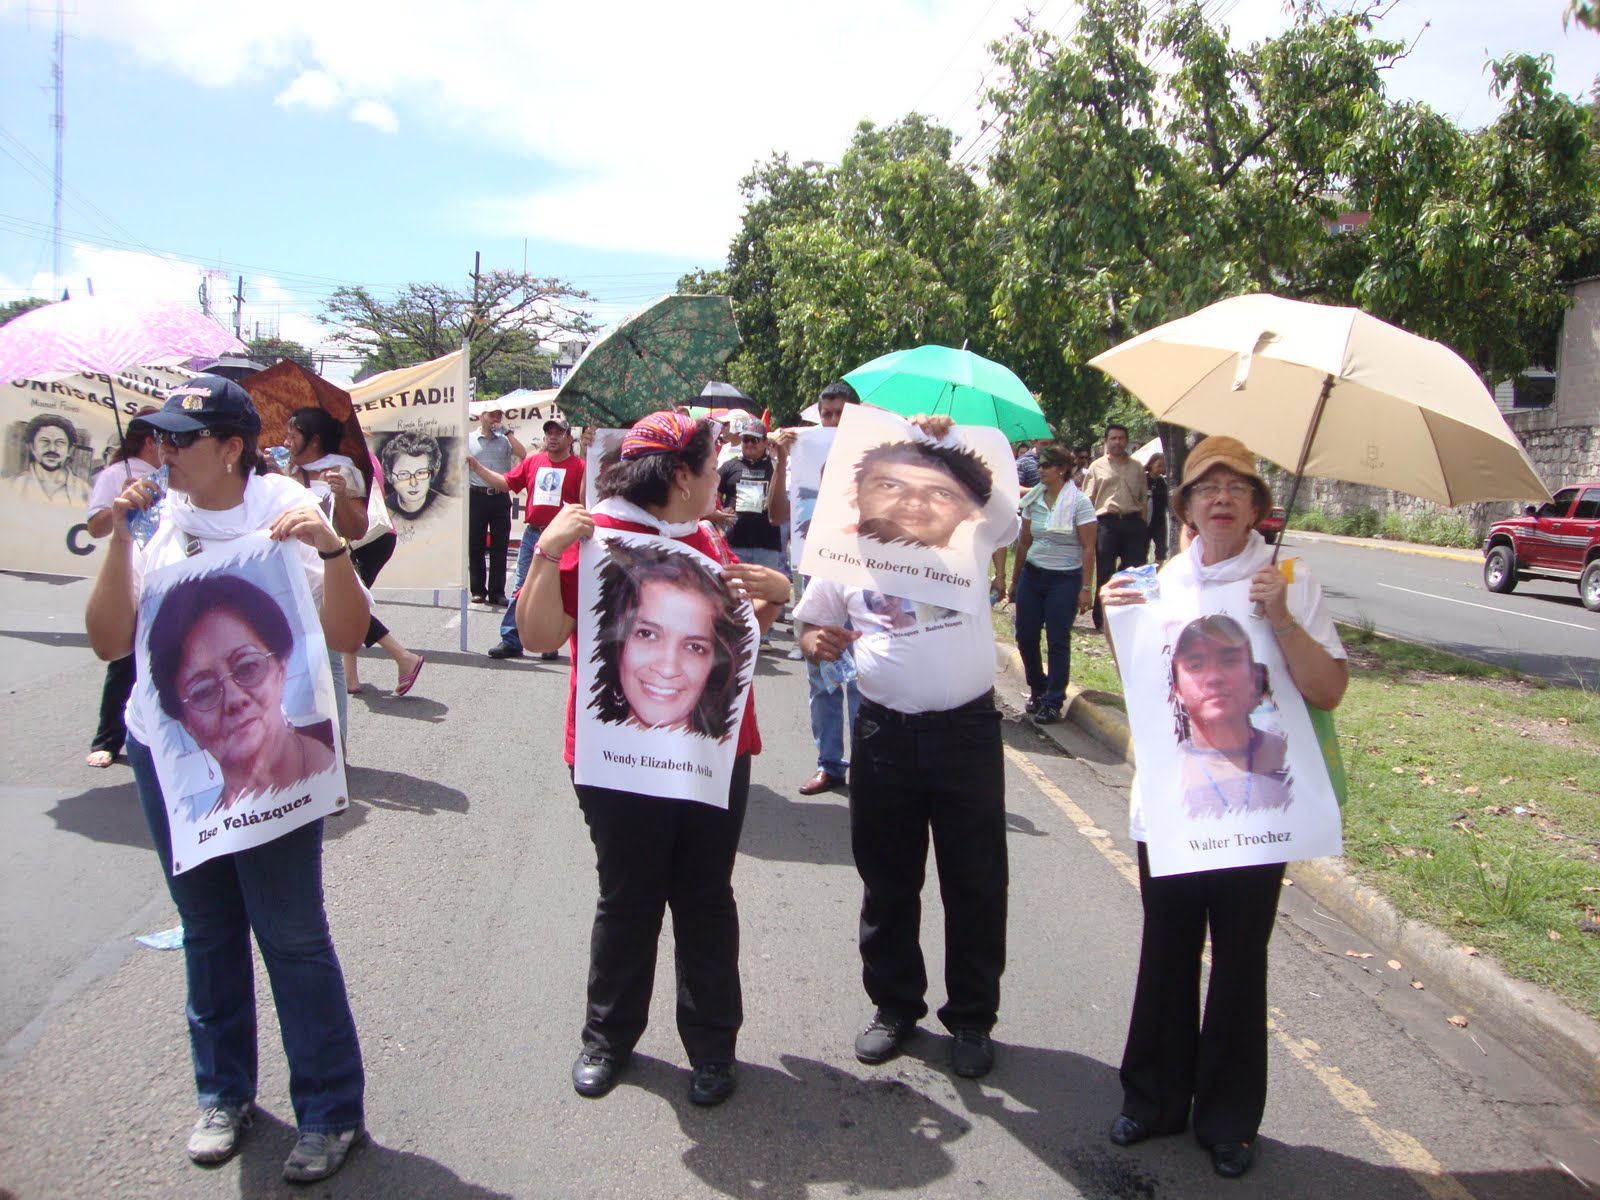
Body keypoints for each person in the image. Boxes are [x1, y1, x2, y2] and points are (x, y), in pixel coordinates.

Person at [83, 375, 369, 1182]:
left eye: (182, 439)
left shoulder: (285, 508)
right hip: (166, 754)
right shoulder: (153, 520)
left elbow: (347, 631)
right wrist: (119, 540)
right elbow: (109, 643)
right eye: (159, 438)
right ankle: (223, 1094)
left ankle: (330, 1109)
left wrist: (332, 550)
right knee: (207, 928)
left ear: (233, 448)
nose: (163, 452)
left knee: (290, 931)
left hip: (274, 756)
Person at [514, 409, 789, 1108]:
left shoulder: (706, 541)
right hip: (615, 758)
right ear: (680, 476)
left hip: (710, 755)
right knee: (628, 896)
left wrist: (777, 598)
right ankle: (608, 1038)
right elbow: (539, 635)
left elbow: (738, 642)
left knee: (705, 896)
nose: (719, 481)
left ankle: (713, 1046)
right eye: (711, 468)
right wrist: (546, 553)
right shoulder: (593, 537)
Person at [1099, 434, 1347, 1180]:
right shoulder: (1155, 582)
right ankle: (1153, 1099)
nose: (1222, 498)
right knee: (1167, 949)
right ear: (1184, 505)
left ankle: (1230, 1119)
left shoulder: (1288, 579)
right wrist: (1113, 617)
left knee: (1240, 959)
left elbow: (1328, 689)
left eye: (1238, 487)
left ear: (1259, 505)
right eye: (1208, 486)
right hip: (1172, 808)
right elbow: (1148, 686)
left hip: (1260, 812)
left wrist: (1283, 620)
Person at [794, 414, 1018, 1083]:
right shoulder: (844, 553)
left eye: (929, 487)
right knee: (888, 881)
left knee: (976, 884)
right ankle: (894, 1007)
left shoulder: (973, 535)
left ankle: (972, 1018)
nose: (911, 498)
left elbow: (1005, 513)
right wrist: (814, 641)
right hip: (883, 735)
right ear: (861, 492)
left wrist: (949, 445)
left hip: (967, 735)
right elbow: (812, 623)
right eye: (892, 484)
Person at [146, 574, 337, 814]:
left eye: (247, 667)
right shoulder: (208, 827)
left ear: (281, 670)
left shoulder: (325, 770)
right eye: (204, 691)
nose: (234, 699)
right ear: (187, 724)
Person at [769, 381, 862, 796]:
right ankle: (830, 764)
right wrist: (781, 459)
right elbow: (777, 516)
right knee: (822, 673)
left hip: (865, 578)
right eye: (827, 415)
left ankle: (868, 766)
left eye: (841, 414)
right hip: (815, 575)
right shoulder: (804, 455)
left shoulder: (880, 454)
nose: (833, 421)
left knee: (863, 676)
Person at [588, 539, 752, 738]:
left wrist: (774, 600)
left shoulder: (723, 753)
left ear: (715, 663)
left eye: (694, 647)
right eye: (647, 634)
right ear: (618, 641)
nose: (667, 669)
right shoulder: (590, 744)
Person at [84, 410, 161, 767]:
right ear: (149, 441)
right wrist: (121, 503)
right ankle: (107, 738)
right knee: (123, 662)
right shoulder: (116, 474)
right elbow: (95, 526)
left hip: (164, 573)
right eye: (164, 437)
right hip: (129, 577)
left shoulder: (175, 474)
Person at [473, 416, 584, 660]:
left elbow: (587, 501)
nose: (553, 437)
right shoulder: (533, 461)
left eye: (559, 433)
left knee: (554, 590)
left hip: (564, 538)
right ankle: (511, 639)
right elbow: (505, 483)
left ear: (569, 438)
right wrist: (477, 467)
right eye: (549, 432)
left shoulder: (580, 467)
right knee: (522, 585)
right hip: (534, 533)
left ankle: (549, 640)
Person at [1006, 444, 1097, 726]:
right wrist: (1015, 580)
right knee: (1025, 635)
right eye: (1040, 465)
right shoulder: (1034, 499)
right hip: (1033, 575)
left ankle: (1054, 700)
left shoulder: (1079, 503)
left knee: (1057, 639)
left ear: (1062, 469)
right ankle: (1038, 688)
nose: (1041, 470)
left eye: (1046, 465)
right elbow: (1024, 543)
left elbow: (1088, 547)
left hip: (1065, 579)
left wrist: (1086, 588)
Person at [1168, 615, 1292, 819]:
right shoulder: (1167, 771)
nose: (1215, 678)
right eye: (1196, 665)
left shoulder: (1286, 755)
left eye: (1230, 661)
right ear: (1177, 690)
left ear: (1253, 678)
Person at [342, 451, 426, 697]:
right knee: (350, 605)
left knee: (349, 606)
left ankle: (403, 656)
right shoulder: (360, 455)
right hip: (375, 537)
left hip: (366, 538)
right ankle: (350, 677)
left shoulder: (348, 458)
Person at [849, 440, 991, 550]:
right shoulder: (838, 568)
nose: (914, 501)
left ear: (973, 511)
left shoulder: (964, 574)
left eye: (941, 494)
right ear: (855, 492)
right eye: (890, 486)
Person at [1084, 423, 1149, 630]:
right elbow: (1088, 499)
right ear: (1106, 441)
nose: (1117, 442)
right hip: (1106, 523)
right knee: (1105, 571)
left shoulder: (1137, 467)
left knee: (1134, 572)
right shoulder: (1097, 466)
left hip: (1133, 522)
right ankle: (1102, 618)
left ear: (1126, 441)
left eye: (1121, 438)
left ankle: (1130, 616)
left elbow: (1143, 500)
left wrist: (1142, 525)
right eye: (1113, 438)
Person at [465, 406, 524, 604]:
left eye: (499, 415)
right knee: (476, 545)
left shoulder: (504, 440)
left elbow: (522, 453)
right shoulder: (469, 440)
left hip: (499, 496)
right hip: (477, 495)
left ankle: (497, 592)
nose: (495, 419)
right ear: (481, 416)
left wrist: (507, 432)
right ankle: (478, 590)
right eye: (491, 415)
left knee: (500, 545)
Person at [9, 413, 91, 505]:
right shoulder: (11, 485)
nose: (52, 449)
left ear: (70, 450)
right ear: (32, 447)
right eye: (45, 441)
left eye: (60, 442)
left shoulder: (85, 491)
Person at [380, 431, 444, 520]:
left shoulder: (451, 507)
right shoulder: (379, 510)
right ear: (390, 475)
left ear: (431, 473)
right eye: (404, 474)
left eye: (421, 473)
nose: (413, 483)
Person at [1146, 452, 1170, 563]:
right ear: (1151, 464)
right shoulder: (1143, 479)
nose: (1161, 469)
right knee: (1142, 550)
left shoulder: (1163, 482)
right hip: (1145, 520)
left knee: (1161, 551)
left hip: (1159, 521)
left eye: (1163, 466)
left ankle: (1157, 571)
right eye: (1159, 465)